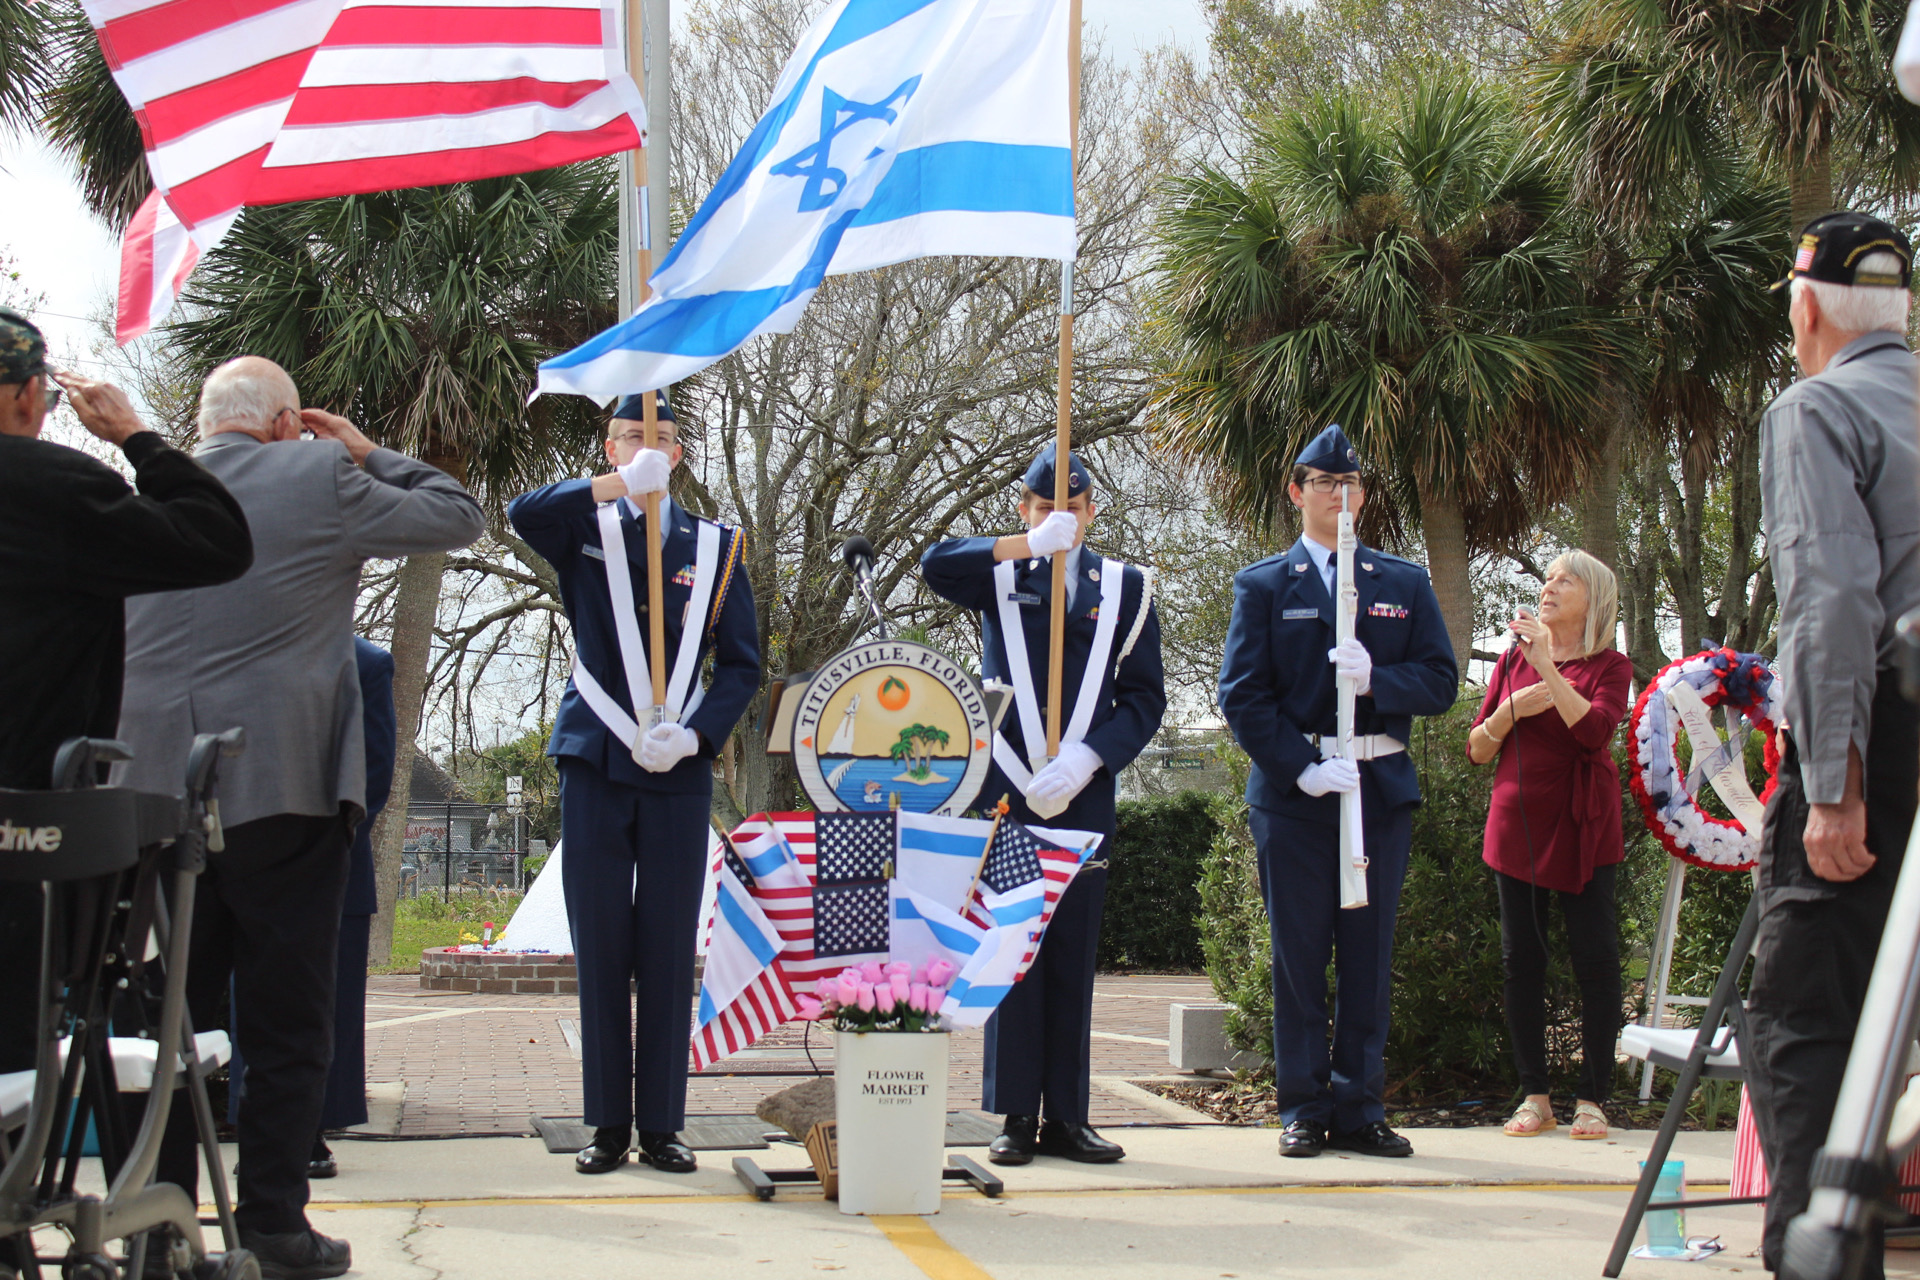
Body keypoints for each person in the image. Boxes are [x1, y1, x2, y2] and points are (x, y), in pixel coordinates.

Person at [120, 356, 484, 1280]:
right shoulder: (316, 473)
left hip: (157, 796)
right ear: (287, 425)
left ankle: (158, 1224)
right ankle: (273, 1221)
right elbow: (456, 515)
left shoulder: (152, 486)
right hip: (283, 787)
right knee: (286, 1019)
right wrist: (364, 450)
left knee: (172, 1020)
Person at [507, 392, 760, 1178]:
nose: (647, 447)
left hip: (678, 768)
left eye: (661, 438)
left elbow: (742, 662)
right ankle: (607, 1125)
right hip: (596, 757)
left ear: (680, 455)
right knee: (603, 948)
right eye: (630, 437)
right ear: (609, 446)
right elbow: (523, 512)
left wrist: (699, 732)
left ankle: (664, 1125)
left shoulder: (716, 546)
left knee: (663, 946)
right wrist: (613, 486)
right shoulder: (583, 523)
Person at [0, 309, 252, 1075]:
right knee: (15, 1058)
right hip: (28, 830)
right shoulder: (54, 490)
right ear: (26, 398)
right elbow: (217, 540)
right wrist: (136, 438)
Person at [1744, 212, 1920, 1280]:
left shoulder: (1816, 409)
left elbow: (1832, 598)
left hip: (1886, 736)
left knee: (1806, 1017)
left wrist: (1835, 782)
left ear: (1806, 313)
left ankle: (1822, 1260)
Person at [921, 443, 1166, 1166]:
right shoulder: (1001, 573)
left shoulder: (1125, 588)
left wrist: (1090, 758)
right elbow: (937, 564)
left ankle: (1068, 1116)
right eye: (1041, 505)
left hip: (1082, 789)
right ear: (1024, 508)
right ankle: (1014, 1116)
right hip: (1008, 785)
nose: (1060, 515)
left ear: (1092, 512)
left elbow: (1145, 698)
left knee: (1070, 953)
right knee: (1009, 950)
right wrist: (1026, 544)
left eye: (1072, 507)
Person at [1217, 424, 1457, 1160]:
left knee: (1366, 955)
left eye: (1351, 485)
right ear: (1298, 492)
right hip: (1297, 794)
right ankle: (1303, 1106)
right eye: (1325, 485)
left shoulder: (1401, 583)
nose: (1340, 497)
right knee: (1298, 954)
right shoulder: (1264, 585)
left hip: (1377, 787)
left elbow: (1442, 682)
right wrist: (1300, 766)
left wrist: (1378, 679)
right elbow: (1243, 695)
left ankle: (1359, 1105)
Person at [1465, 550, 1633, 1141]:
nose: (1551, 585)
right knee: (1522, 962)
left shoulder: (1612, 665)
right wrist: (1510, 708)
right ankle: (1534, 1096)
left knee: (1595, 961)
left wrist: (1549, 670)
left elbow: (1593, 732)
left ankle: (1592, 1098)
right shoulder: (1510, 662)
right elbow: (1478, 749)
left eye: (1566, 579)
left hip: (1586, 828)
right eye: (1549, 578)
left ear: (1595, 599)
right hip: (1516, 826)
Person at [314, 638, 397, 1176]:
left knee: (334, 1005)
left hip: (335, 857)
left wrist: (324, 840)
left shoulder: (369, 664)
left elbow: (376, 770)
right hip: (253, 861)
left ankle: (325, 1116)